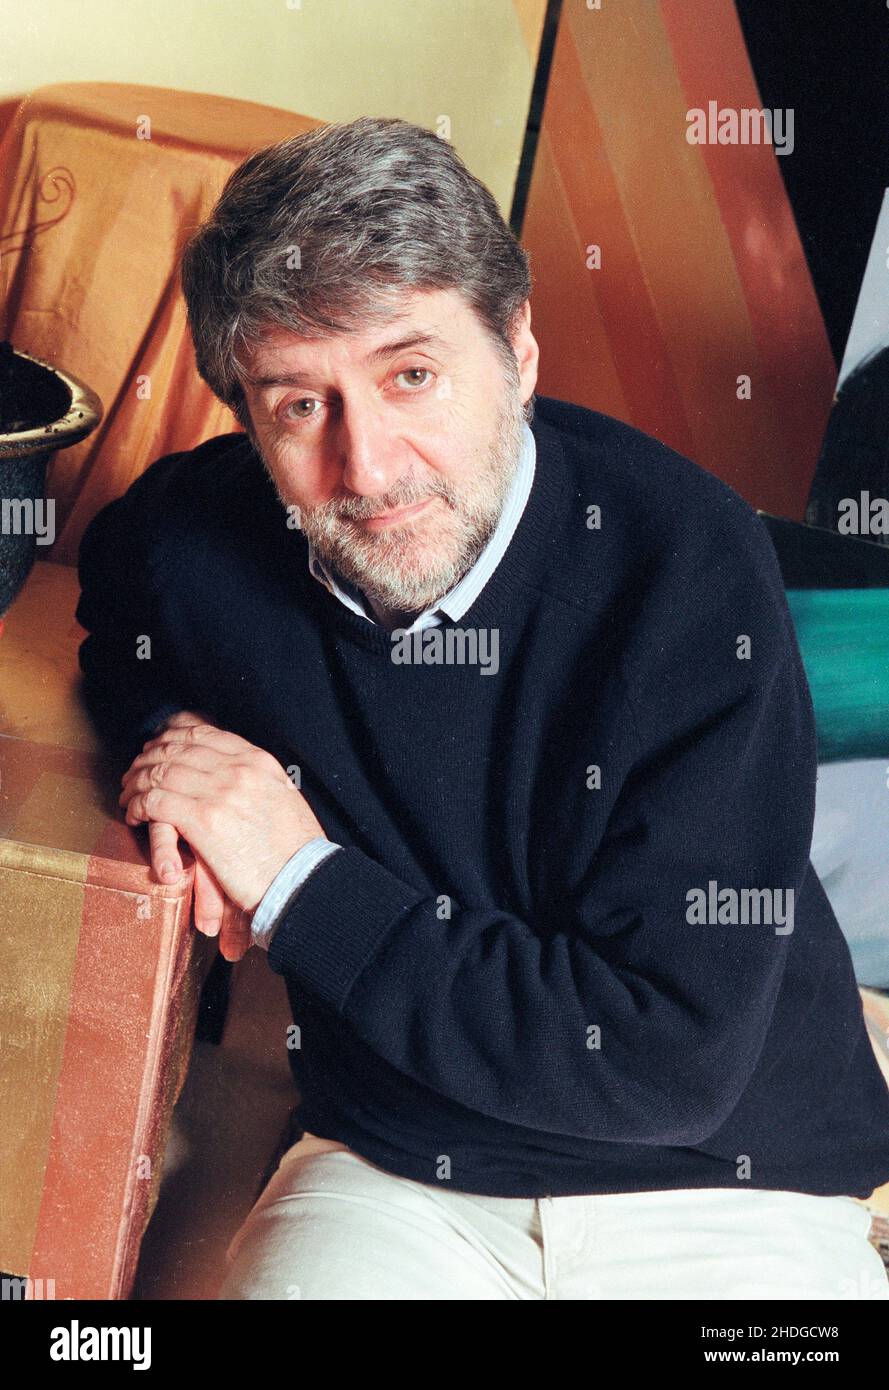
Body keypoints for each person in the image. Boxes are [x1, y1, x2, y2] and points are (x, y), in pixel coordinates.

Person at [76, 117, 889, 1300]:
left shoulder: (683, 561)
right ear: (245, 417)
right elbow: (119, 617)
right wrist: (184, 755)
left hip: (732, 1182)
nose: (367, 467)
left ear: (518, 351)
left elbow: (663, 1061)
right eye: (300, 404)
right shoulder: (195, 534)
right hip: (393, 1172)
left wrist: (301, 881)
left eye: (412, 374)